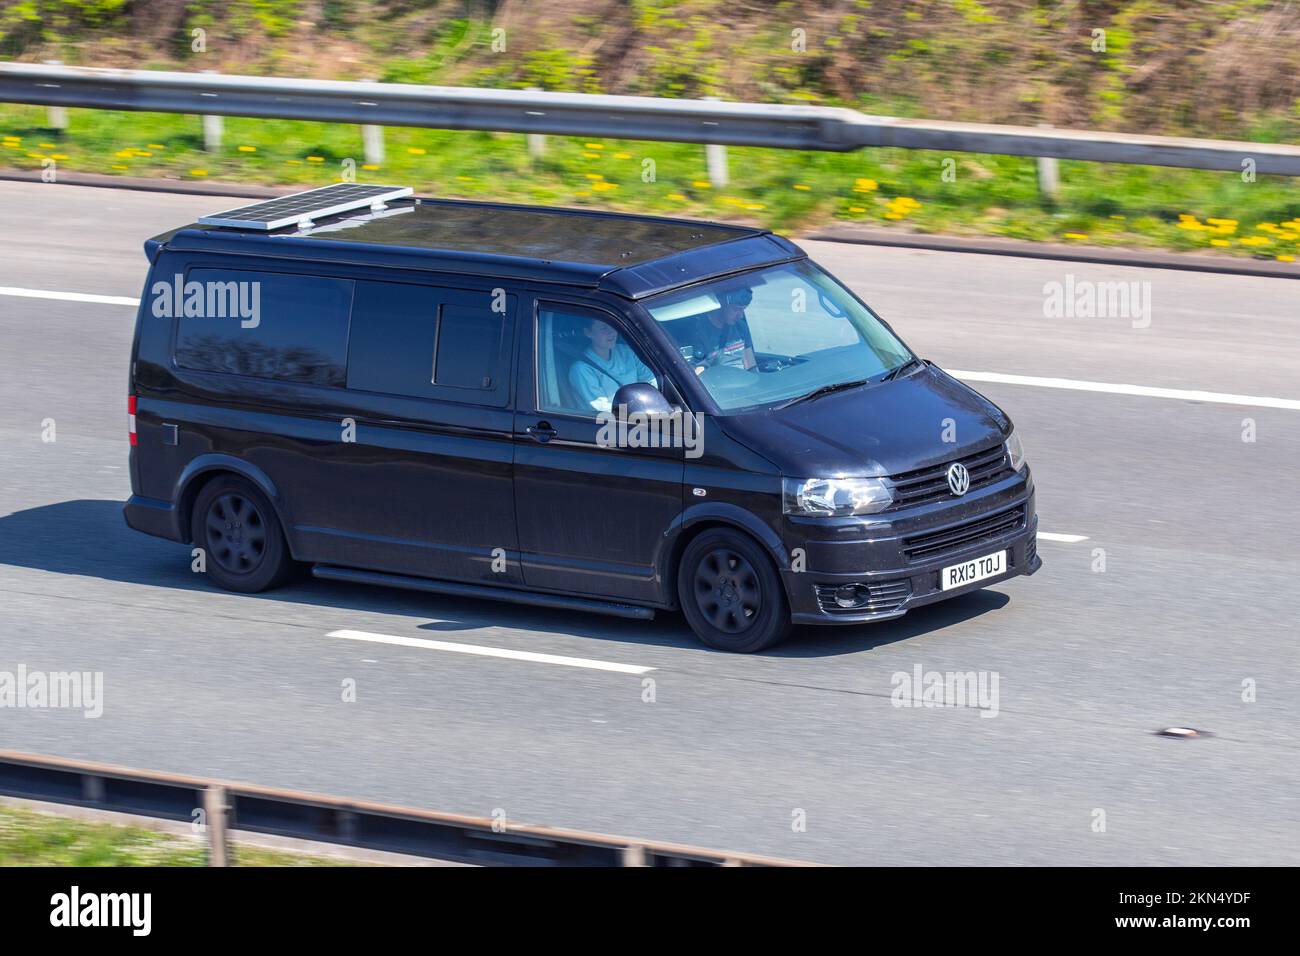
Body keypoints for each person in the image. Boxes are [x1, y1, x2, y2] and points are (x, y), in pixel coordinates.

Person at [568, 318, 657, 413]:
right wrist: (636, 411)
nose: (612, 332)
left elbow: (649, 379)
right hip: (609, 423)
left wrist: (654, 401)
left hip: (643, 411)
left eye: (612, 326)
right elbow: (601, 408)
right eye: (603, 328)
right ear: (588, 333)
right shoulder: (581, 369)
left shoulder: (627, 352)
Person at [679, 287, 757, 374]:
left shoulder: (740, 327)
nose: (740, 316)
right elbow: (699, 373)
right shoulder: (697, 332)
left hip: (744, 382)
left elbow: (750, 366)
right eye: (736, 309)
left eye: (743, 309)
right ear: (720, 303)